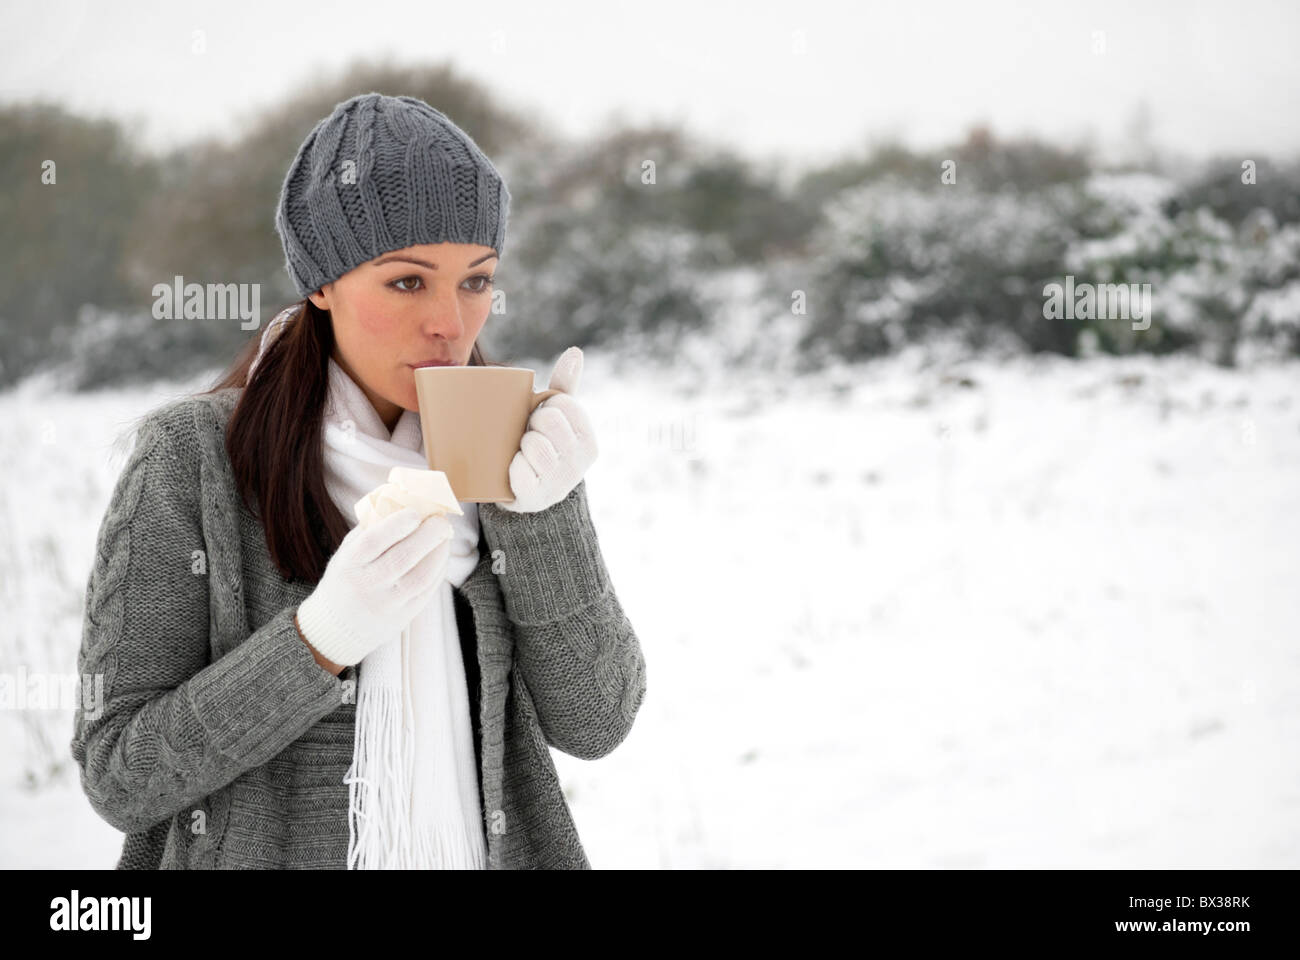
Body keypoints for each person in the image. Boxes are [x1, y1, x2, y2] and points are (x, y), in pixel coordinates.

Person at [70, 92, 646, 869]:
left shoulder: (505, 447)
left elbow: (597, 720)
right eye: (408, 282)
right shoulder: (192, 458)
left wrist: (545, 519)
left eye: (476, 281)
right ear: (321, 283)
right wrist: (317, 641)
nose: (451, 320)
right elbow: (120, 776)